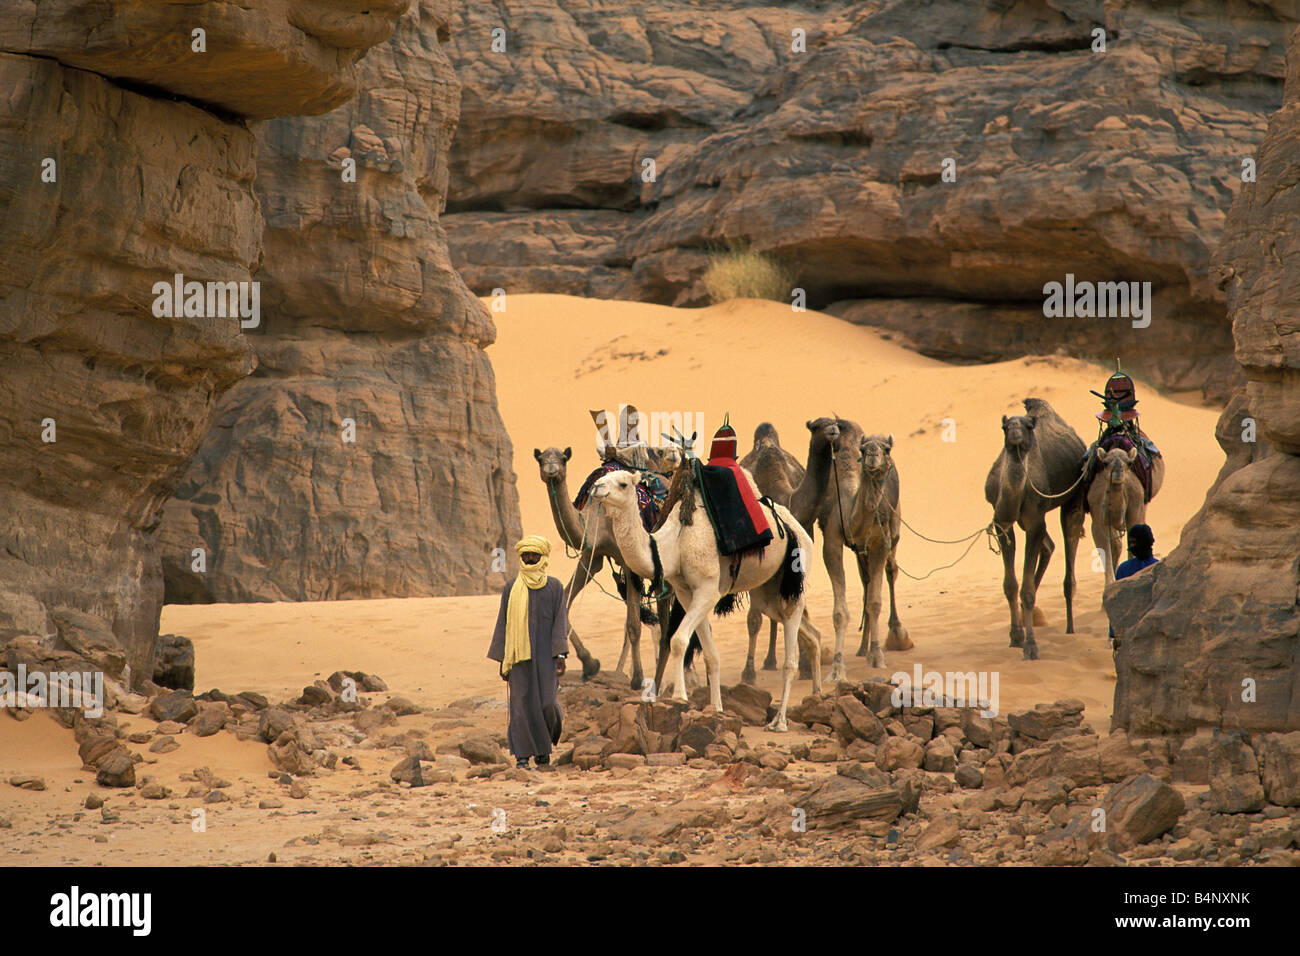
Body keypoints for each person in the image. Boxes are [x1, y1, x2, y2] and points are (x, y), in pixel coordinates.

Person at [487, 535, 568, 769]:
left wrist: (560, 653)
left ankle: (545, 746)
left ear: (543, 557)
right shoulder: (512, 587)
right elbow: (503, 623)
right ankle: (523, 755)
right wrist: (503, 660)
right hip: (518, 657)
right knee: (520, 705)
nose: (530, 559)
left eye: (534, 555)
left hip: (546, 655)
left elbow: (559, 622)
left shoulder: (554, 587)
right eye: (526, 555)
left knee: (548, 704)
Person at [1108, 524, 1158, 648]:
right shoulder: (1124, 569)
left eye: (1135, 542)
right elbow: (1117, 603)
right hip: (1129, 632)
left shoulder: (1159, 568)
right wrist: (1114, 633)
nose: (1132, 546)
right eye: (1130, 543)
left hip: (1151, 631)